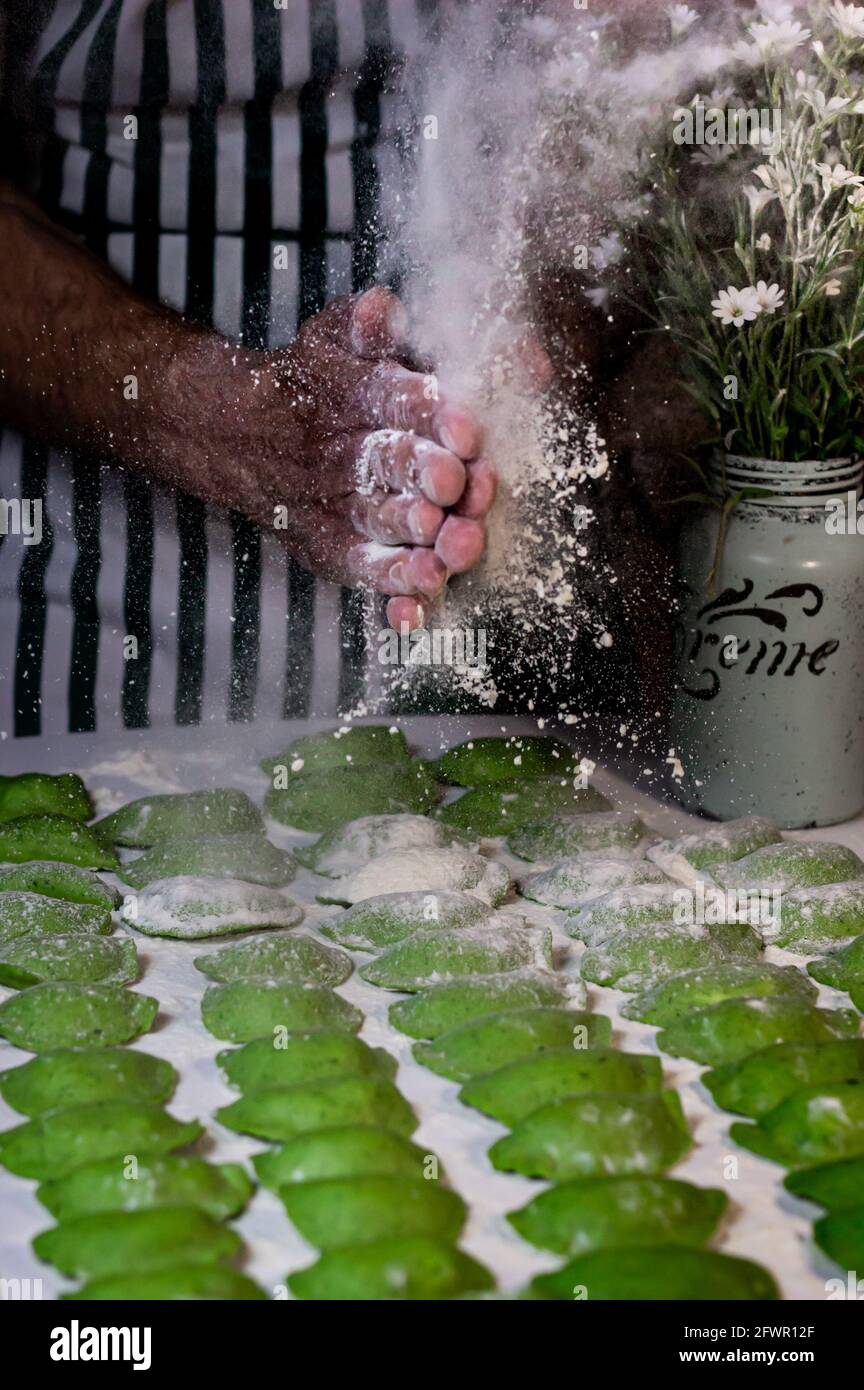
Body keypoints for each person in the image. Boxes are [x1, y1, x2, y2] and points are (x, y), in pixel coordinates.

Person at [0, 0, 520, 739]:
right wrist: (223, 419)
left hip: (454, 533)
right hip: (90, 522)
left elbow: (587, 111)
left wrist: (522, 343)